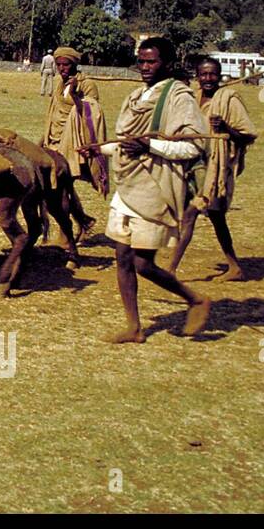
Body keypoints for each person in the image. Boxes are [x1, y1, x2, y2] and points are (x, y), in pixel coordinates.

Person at [84, 37, 211, 344]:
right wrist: (100, 150)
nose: (144, 67)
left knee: (142, 263)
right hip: (129, 187)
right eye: (141, 61)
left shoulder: (179, 97)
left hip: (157, 186)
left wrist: (149, 143)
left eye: (151, 61)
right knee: (122, 257)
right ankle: (135, 327)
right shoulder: (136, 96)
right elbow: (128, 146)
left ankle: (195, 299)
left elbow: (192, 147)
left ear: (166, 63)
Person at [167, 57, 257, 280]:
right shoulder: (192, 99)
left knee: (190, 216)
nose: (208, 79)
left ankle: (170, 270)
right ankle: (234, 266)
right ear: (197, 76)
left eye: (213, 74)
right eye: (204, 74)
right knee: (216, 219)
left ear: (220, 75)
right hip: (194, 166)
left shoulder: (229, 100)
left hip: (215, 169)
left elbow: (247, 136)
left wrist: (226, 128)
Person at [41, 46, 106, 235]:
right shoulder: (59, 83)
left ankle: (66, 232)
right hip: (54, 138)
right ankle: (83, 220)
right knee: (61, 186)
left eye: (66, 64)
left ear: (74, 64)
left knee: (63, 185)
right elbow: (55, 110)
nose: (62, 68)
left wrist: (77, 97)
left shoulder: (86, 84)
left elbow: (91, 114)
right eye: (59, 64)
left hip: (73, 141)